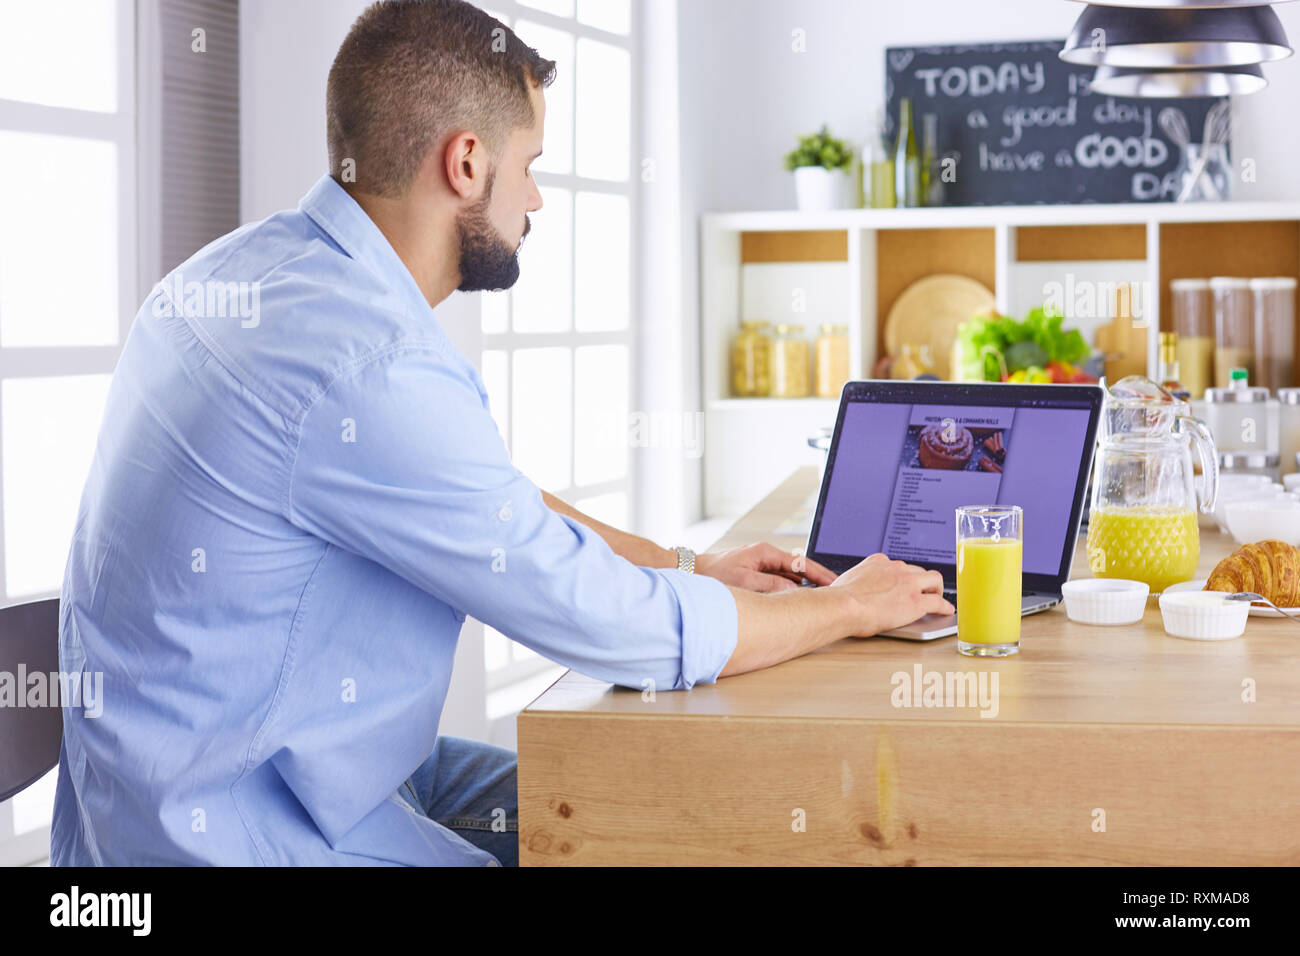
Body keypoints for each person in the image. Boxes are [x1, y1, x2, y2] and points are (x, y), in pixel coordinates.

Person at [51, 0, 951, 867]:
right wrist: (848, 605)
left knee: (633, 802)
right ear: (467, 162)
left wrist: (686, 564)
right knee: (689, 828)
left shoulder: (242, 273)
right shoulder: (365, 363)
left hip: (234, 776)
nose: (538, 199)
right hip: (245, 830)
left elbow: (498, 507)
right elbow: (620, 630)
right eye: (531, 164)